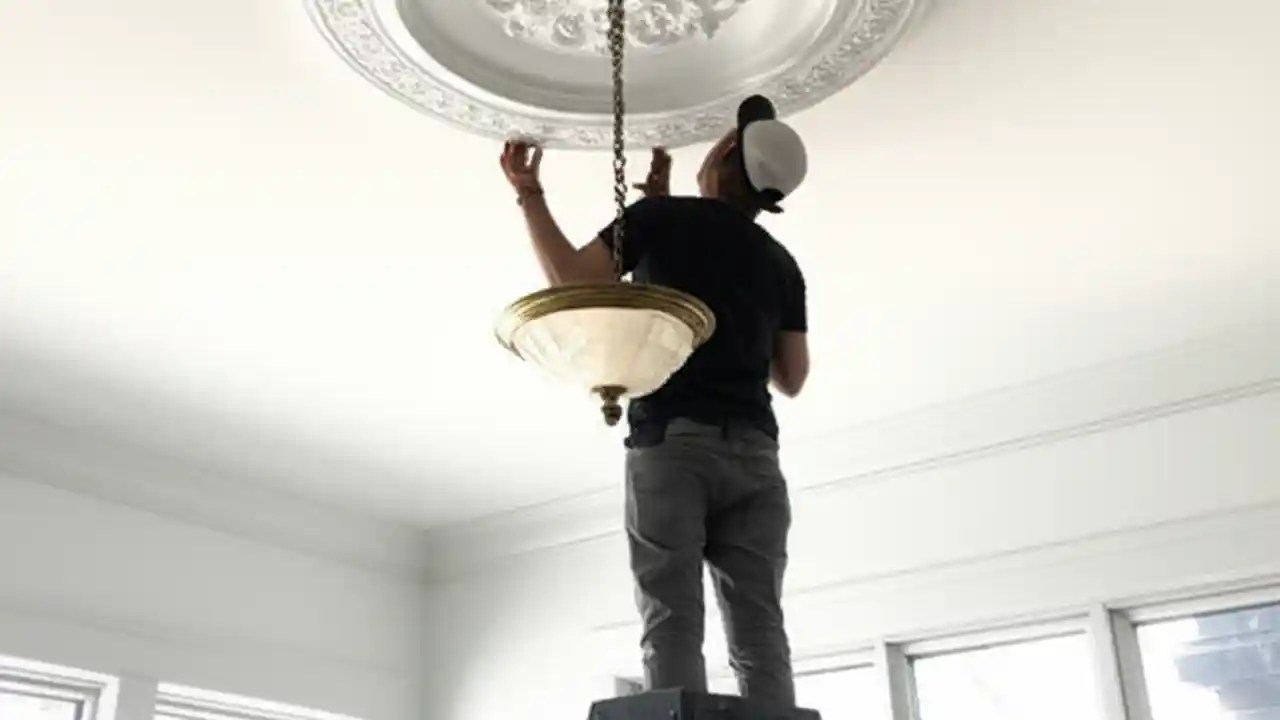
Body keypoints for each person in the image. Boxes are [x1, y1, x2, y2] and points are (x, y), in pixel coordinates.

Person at [500, 95, 810, 709]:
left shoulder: (662, 219)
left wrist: (528, 192)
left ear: (722, 159)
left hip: (674, 445)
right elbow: (792, 377)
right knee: (759, 626)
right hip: (755, 457)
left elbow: (572, 282)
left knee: (671, 614)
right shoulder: (781, 262)